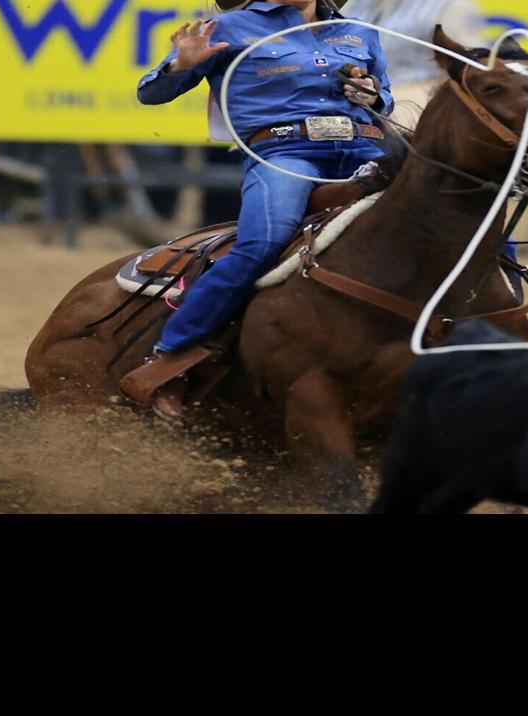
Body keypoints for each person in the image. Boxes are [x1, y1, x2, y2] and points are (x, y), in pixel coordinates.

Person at [120, 0, 393, 421]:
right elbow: (150, 93)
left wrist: (371, 93)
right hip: (284, 152)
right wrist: (181, 65)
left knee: (452, 211)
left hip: (366, 147)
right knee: (263, 242)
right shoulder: (225, 27)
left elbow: (385, 101)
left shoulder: (361, 31)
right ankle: (169, 359)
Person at [339, 0, 484, 130]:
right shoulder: (353, 6)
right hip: (354, 105)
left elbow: (472, 71)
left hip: (417, 111)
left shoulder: (452, 5)